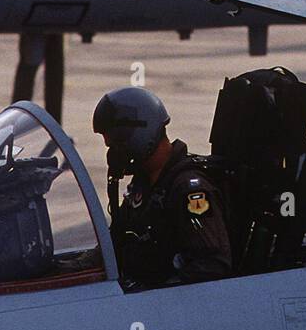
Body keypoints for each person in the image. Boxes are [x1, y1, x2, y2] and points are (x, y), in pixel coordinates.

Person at [93, 87, 232, 287]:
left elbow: (213, 265)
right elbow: (118, 238)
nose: (113, 154)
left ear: (142, 132)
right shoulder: (143, 184)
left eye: (117, 144)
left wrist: (156, 289)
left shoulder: (189, 190)